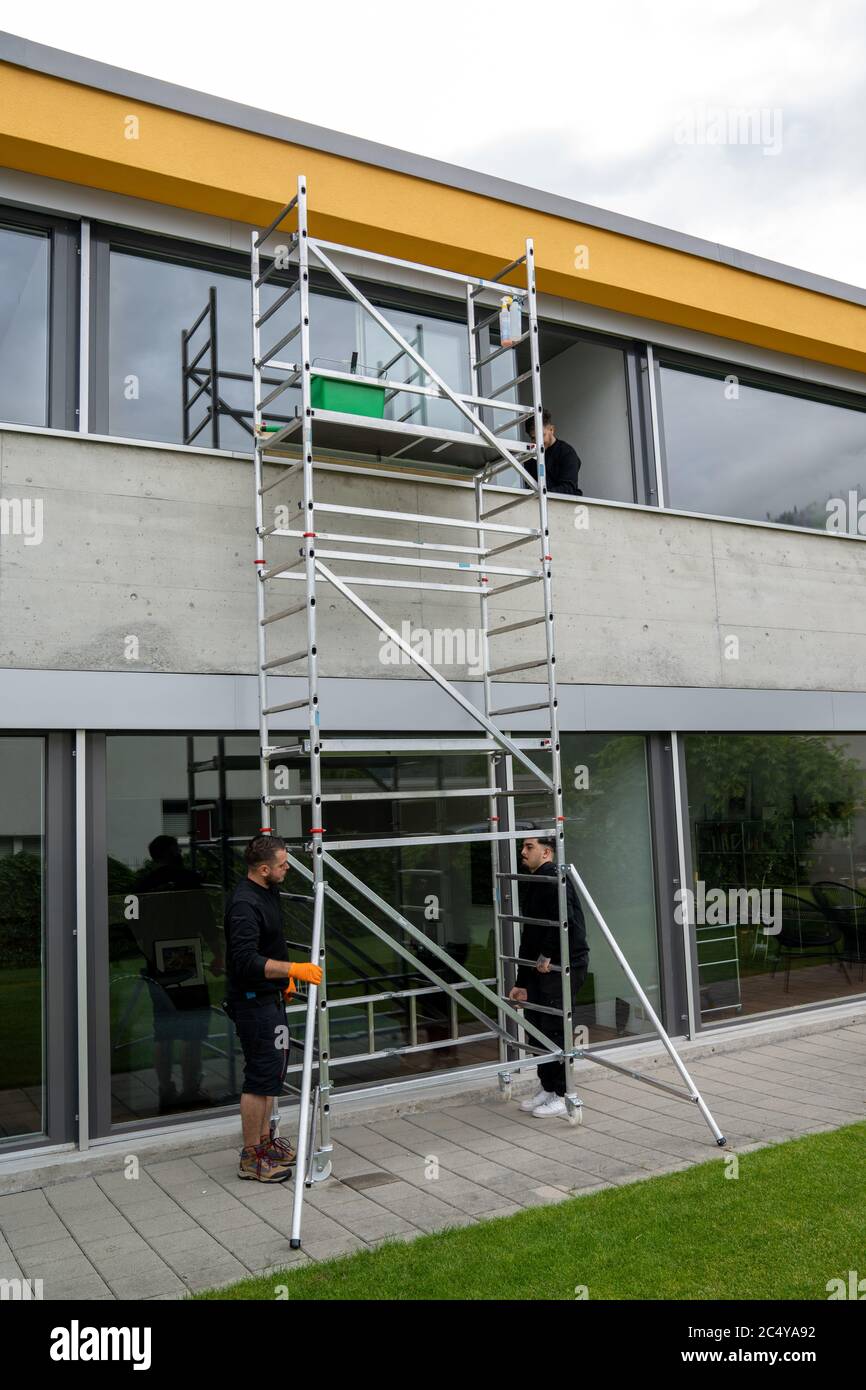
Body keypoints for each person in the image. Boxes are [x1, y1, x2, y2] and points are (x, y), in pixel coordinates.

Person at [224, 834, 323, 1183]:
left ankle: (265, 1143)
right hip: (252, 1003)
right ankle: (251, 1157)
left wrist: (284, 982)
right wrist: (293, 969)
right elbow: (246, 960)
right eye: (282, 864)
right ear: (263, 869)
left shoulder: (268, 891)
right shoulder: (243, 905)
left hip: (270, 997)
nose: (287, 868)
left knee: (272, 1074)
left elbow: (271, 944)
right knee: (258, 1077)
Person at [132, 835, 223, 1112]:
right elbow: (205, 918)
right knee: (192, 1030)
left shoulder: (143, 886)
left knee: (164, 1029)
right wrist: (218, 953)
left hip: (156, 960)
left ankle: (165, 1090)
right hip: (186, 956)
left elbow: (134, 924)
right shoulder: (187, 881)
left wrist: (149, 951)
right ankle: (190, 1090)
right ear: (172, 852)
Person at [508, 832, 589, 1118]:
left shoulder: (554, 876)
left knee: (554, 1028)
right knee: (536, 1027)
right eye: (522, 847)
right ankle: (549, 1087)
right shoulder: (536, 880)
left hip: (564, 965)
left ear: (547, 853)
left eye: (529, 847)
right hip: (542, 966)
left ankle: (565, 1094)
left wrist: (548, 954)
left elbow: (562, 919)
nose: (523, 852)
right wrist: (521, 982)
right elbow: (530, 933)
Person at [524, 410, 582, 496]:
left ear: (552, 430)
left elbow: (569, 488)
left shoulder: (567, 453)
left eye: (542, 435)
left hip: (563, 505)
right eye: (533, 438)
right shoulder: (531, 457)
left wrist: (543, 494)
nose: (538, 442)